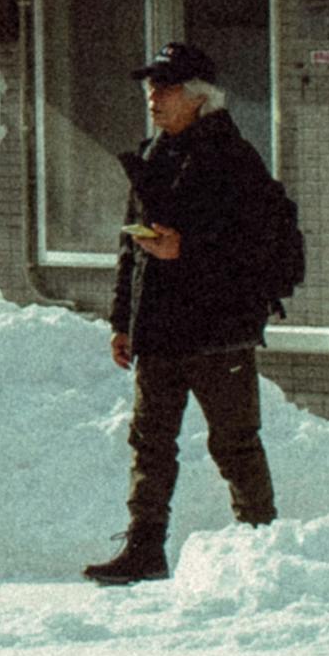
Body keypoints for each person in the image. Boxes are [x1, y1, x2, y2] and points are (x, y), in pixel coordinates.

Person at [86, 40, 284, 585]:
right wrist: (122, 321)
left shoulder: (233, 158)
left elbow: (260, 245)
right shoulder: (154, 155)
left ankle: (262, 545)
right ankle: (145, 548)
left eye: (166, 88)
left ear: (199, 97)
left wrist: (188, 248)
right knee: (149, 442)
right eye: (151, 88)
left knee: (235, 443)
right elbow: (131, 249)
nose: (153, 98)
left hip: (219, 331)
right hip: (160, 327)